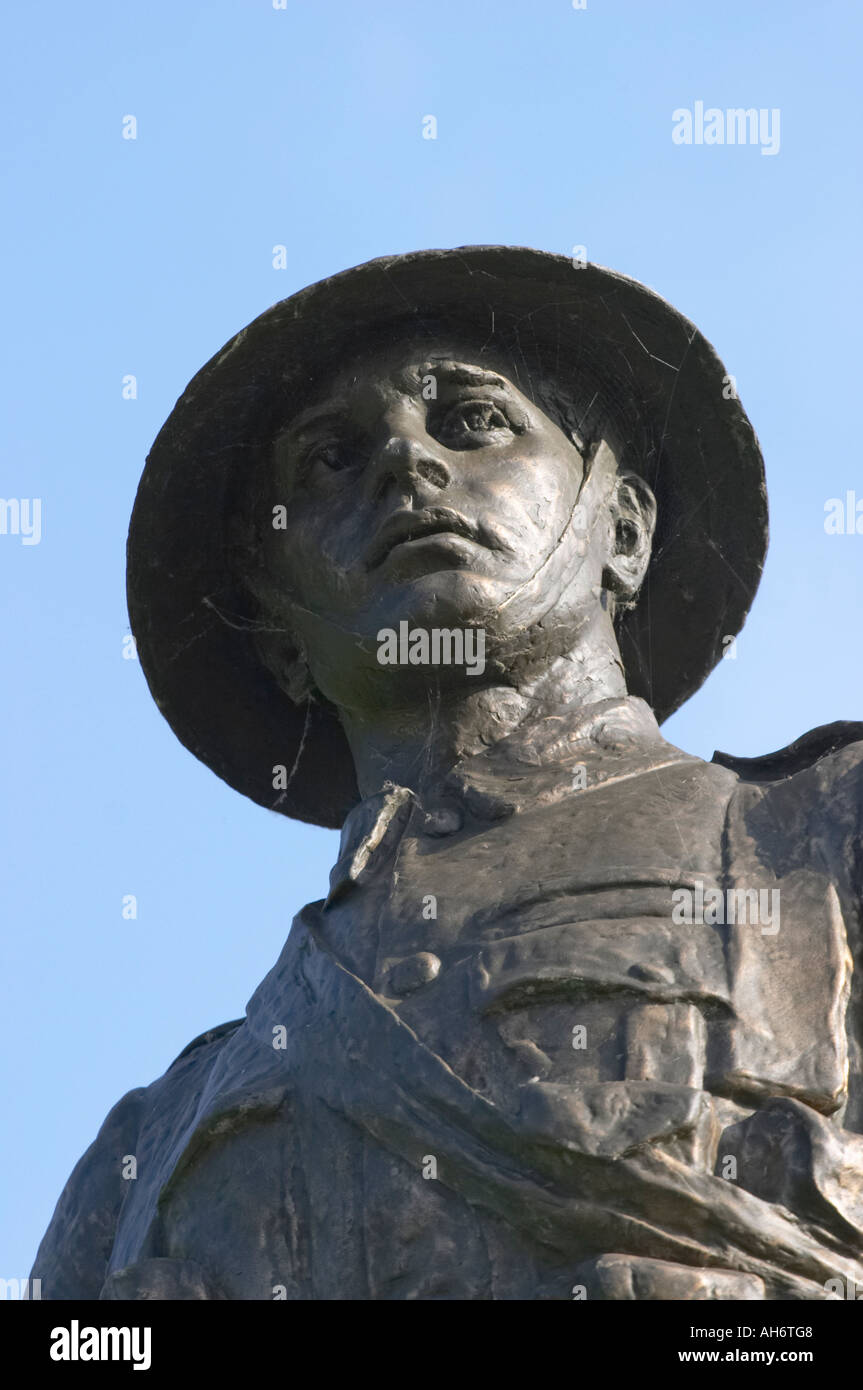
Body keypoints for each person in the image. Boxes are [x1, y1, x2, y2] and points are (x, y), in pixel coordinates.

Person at [32, 247, 863, 1300]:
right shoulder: (144, 1151)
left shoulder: (823, 846)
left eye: (471, 422)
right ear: (280, 635)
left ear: (622, 530)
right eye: (328, 460)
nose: (403, 465)